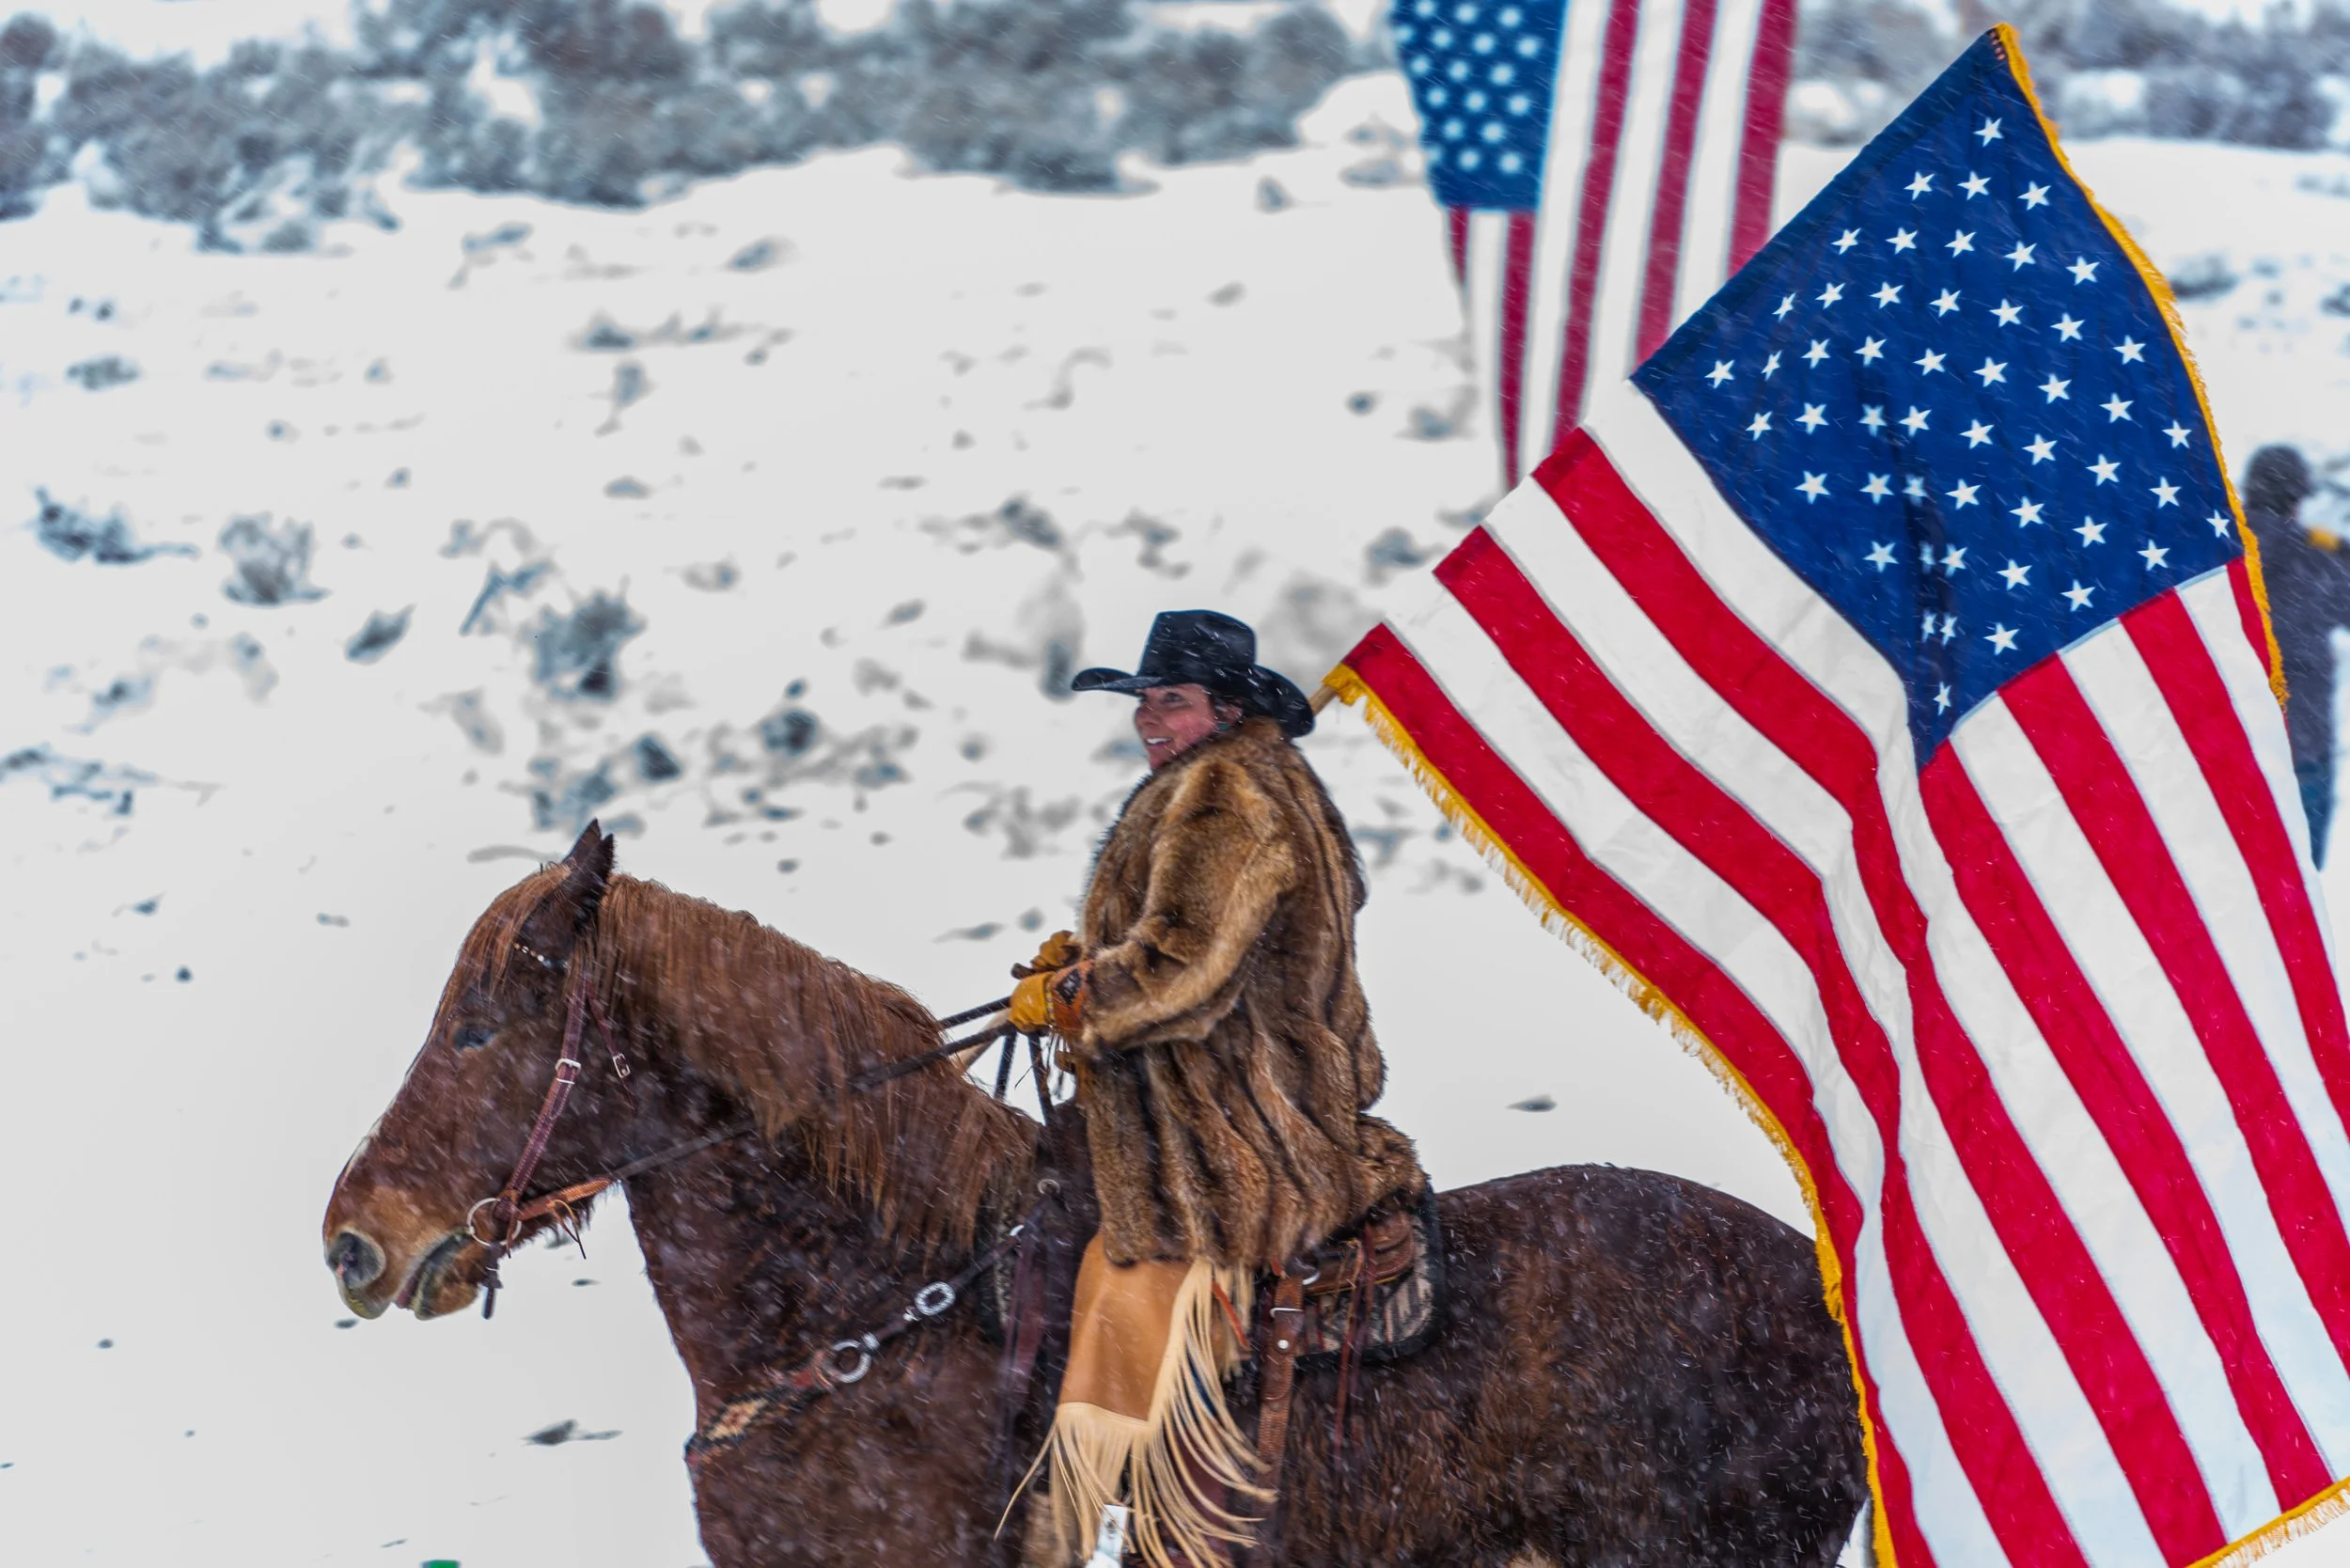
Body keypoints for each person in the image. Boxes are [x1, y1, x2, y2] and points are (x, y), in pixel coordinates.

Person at [1005, 609, 1425, 1568]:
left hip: (1238, 1128)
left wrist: (1078, 996)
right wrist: (1086, 961)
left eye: (1174, 702)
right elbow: (1208, 946)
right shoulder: (1239, 777)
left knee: (1126, 1284)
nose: (1151, 721)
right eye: (1145, 702)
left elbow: (1186, 966)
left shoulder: (1223, 790)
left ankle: (1129, 1534)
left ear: (1225, 709)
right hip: (1240, 1090)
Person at [2241, 447, 2350, 865]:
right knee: (2298, 884)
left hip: (2227, 746)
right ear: (2298, 497)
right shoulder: (2317, 557)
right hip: (2300, 747)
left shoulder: (2211, 556)